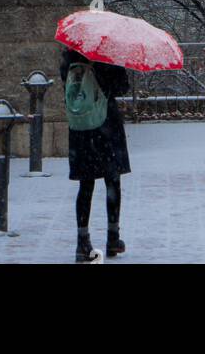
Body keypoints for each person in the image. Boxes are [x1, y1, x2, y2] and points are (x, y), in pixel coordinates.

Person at [60, 46, 131, 263]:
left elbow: (68, 86)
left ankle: (82, 242)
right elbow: (122, 87)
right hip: (106, 125)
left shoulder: (70, 57)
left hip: (81, 129)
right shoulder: (108, 55)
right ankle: (113, 237)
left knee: (86, 184)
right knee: (112, 181)